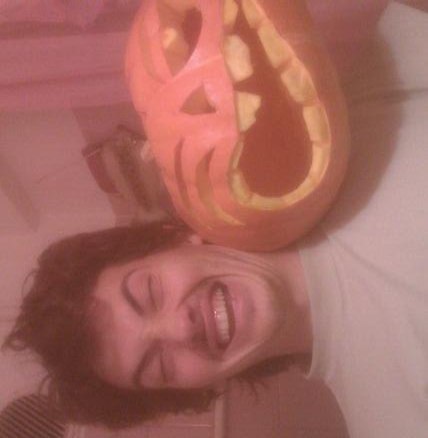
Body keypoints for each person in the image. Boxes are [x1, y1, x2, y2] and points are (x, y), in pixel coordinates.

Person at [2, 1, 428, 436]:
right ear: (195, 389)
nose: (180, 327)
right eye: (160, 365)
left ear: (174, 236)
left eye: (149, 292)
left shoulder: (348, 100)